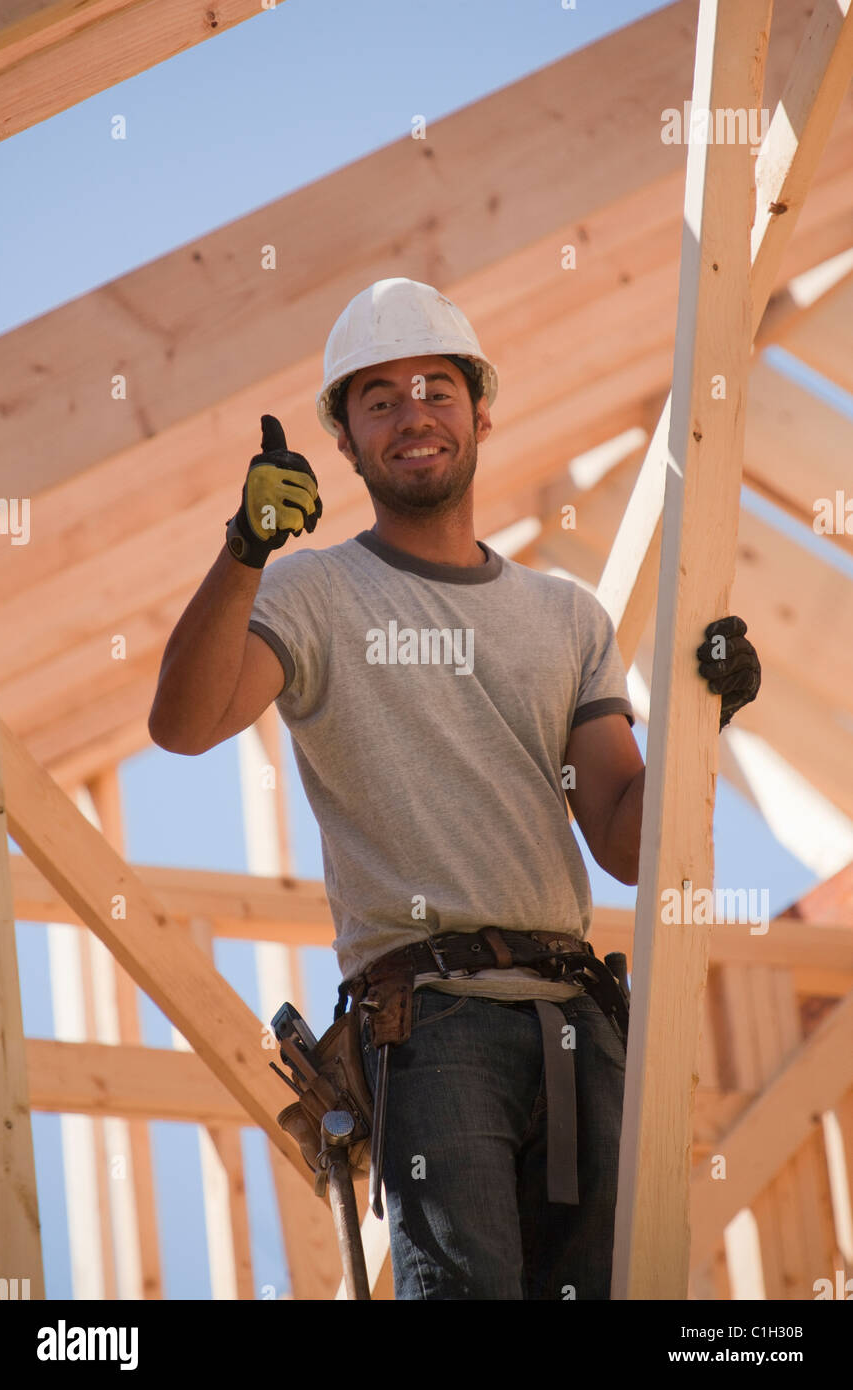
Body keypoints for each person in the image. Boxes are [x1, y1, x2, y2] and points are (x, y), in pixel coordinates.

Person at [148, 277, 761, 1300]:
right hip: (428, 1029)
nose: (412, 414)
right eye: (377, 398)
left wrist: (702, 721)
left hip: (579, 1023)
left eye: (436, 387)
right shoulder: (309, 592)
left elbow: (622, 835)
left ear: (480, 410)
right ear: (343, 440)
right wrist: (245, 548)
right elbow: (184, 724)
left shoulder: (564, 618)